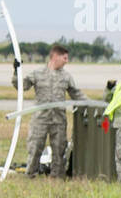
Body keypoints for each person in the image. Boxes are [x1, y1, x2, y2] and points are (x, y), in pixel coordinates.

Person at [13, 43, 85, 177]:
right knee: (35, 147)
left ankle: (56, 177)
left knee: (59, 149)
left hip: (59, 120)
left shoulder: (66, 76)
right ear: (55, 57)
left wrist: (91, 104)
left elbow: (77, 94)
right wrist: (15, 71)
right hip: (40, 119)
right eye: (65, 58)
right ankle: (30, 175)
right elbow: (21, 86)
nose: (67, 61)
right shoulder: (37, 73)